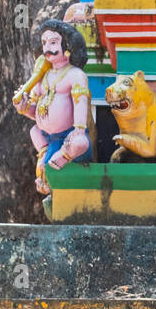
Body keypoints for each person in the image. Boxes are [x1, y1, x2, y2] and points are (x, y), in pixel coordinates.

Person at [12, 19, 93, 194]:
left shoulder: (75, 75)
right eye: (44, 43)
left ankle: (60, 158)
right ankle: (45, 154)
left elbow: (80, 122)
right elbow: (39, 114)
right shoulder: (44, 77)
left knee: (79, 142)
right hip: (49, 137)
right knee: (34, 131)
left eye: (53, 42)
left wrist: (78, 132)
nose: (47, 48)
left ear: (68, 46)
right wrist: (24, 108)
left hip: (69, 138)